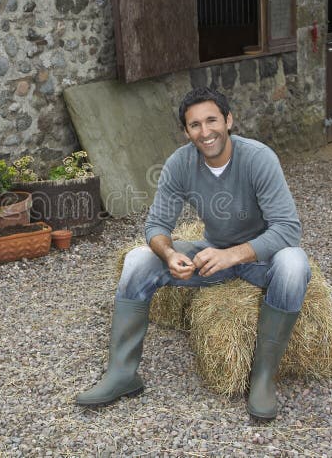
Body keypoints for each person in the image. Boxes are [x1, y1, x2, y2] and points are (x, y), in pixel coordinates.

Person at [75, 86, 311, 421]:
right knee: (138, 259)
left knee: (294, 262)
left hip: (260, 258)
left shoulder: (259, 158)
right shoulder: (180, 164)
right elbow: (156, 225)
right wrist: (169, 254)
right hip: (211, 256)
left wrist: (234, 255)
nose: (205, 131)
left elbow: (288, 229)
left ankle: (262, 380)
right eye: (195, 125)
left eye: (212, 120)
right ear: (186, 132)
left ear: (228, 120)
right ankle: (123, 374)